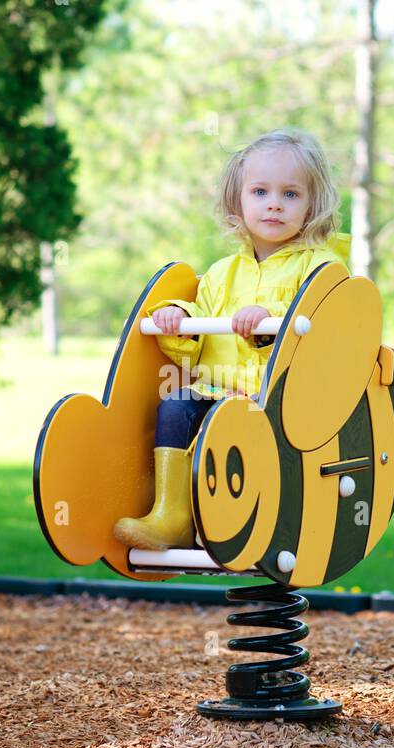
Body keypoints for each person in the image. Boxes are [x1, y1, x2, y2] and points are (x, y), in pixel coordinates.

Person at [112, 128, 350, 551]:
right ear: (236, 200)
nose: (274, 203)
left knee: (232, 429)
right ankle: (173, 515)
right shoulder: (222, 273)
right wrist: (179, 319)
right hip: (217, 389)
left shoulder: (320, 266)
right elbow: (199, 334)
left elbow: (327, 328)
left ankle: (244, 518)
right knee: (176, 405)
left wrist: (272, 321)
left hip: (279, 400)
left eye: (291, 194)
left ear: (313, 204)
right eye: (260, 191)